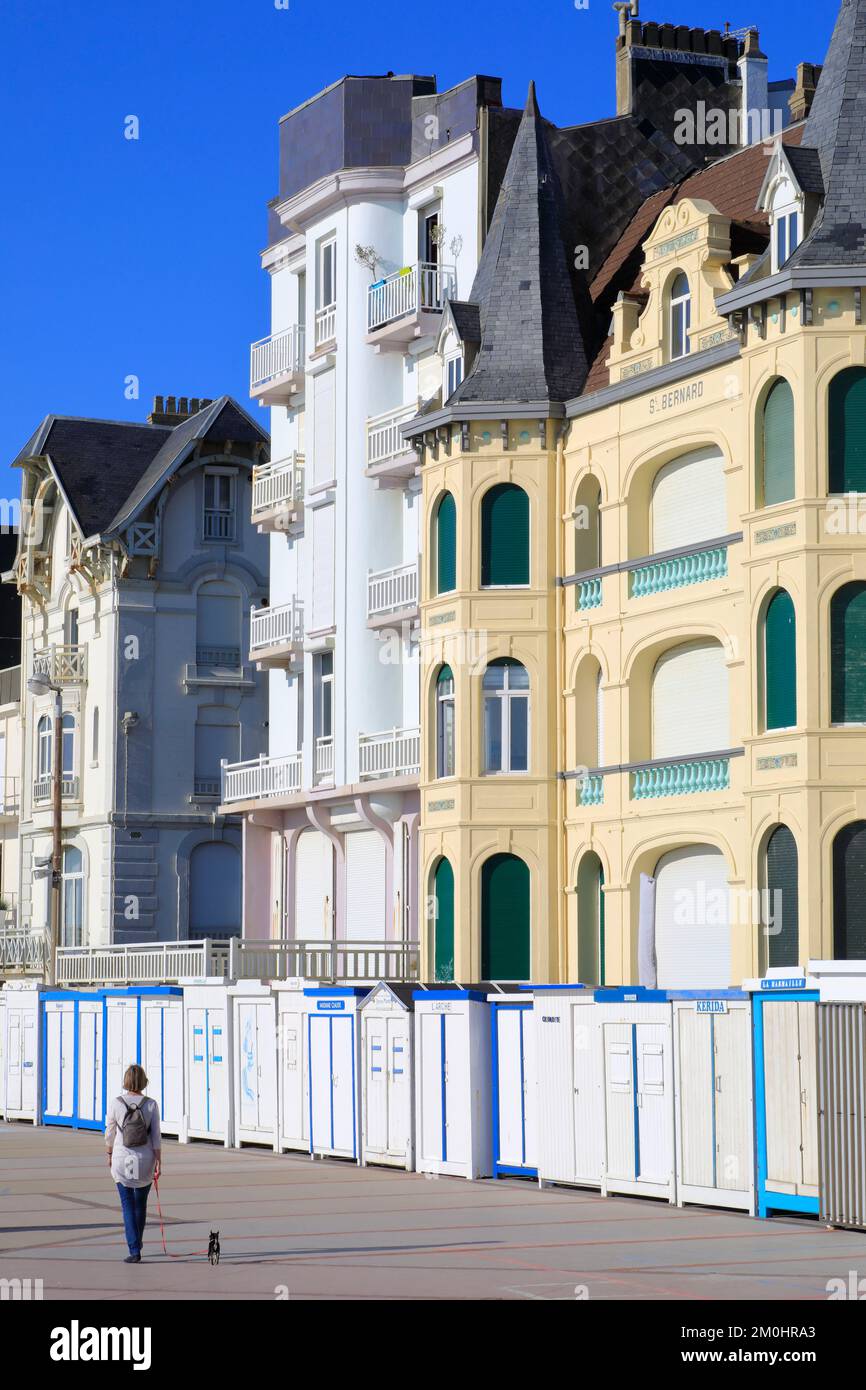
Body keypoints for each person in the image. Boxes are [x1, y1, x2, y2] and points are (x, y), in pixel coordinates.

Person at [105, 1064, 161, 1264]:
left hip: (122, 1158)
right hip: (145, 1159)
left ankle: (134, 1249)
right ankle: (138, 1241)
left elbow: (109, 1133)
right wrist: (159, 1161)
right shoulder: (151, 1104)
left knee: (127, 1204)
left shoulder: (116, 1103)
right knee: (141, 1204)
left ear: (126, 1081)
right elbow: (156, 1136)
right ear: (144, 1081)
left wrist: (109, 1153)